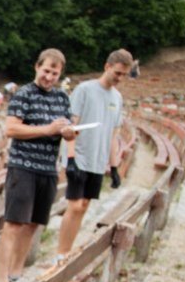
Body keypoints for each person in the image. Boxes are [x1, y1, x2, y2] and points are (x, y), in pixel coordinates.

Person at [0, 49, 76, 282]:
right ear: (37, 68)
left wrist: (70, 133)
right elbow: (11, 129)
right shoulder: (23, 94)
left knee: (33, 224)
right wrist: (47, 129)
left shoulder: (63, 98)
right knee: (14, 223)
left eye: (55, 73)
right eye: (46, 71)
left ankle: (16, 273)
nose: (50, 77)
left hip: (47, 169)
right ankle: (1, 280)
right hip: (23, 167)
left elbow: (65, 130)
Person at [55, 49, 133, 261]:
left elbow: (114, 136)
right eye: (117, 73)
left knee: (84, 206)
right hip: (79, 156)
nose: (119, 78)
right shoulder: (85, 90)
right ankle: (60, 254)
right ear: (107, 66)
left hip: (98, 161)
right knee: (74, 205)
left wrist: (114, 167)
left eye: (124, 75)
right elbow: (72, 125)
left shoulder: (117, 98)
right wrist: (70, 159)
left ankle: (67, 251)